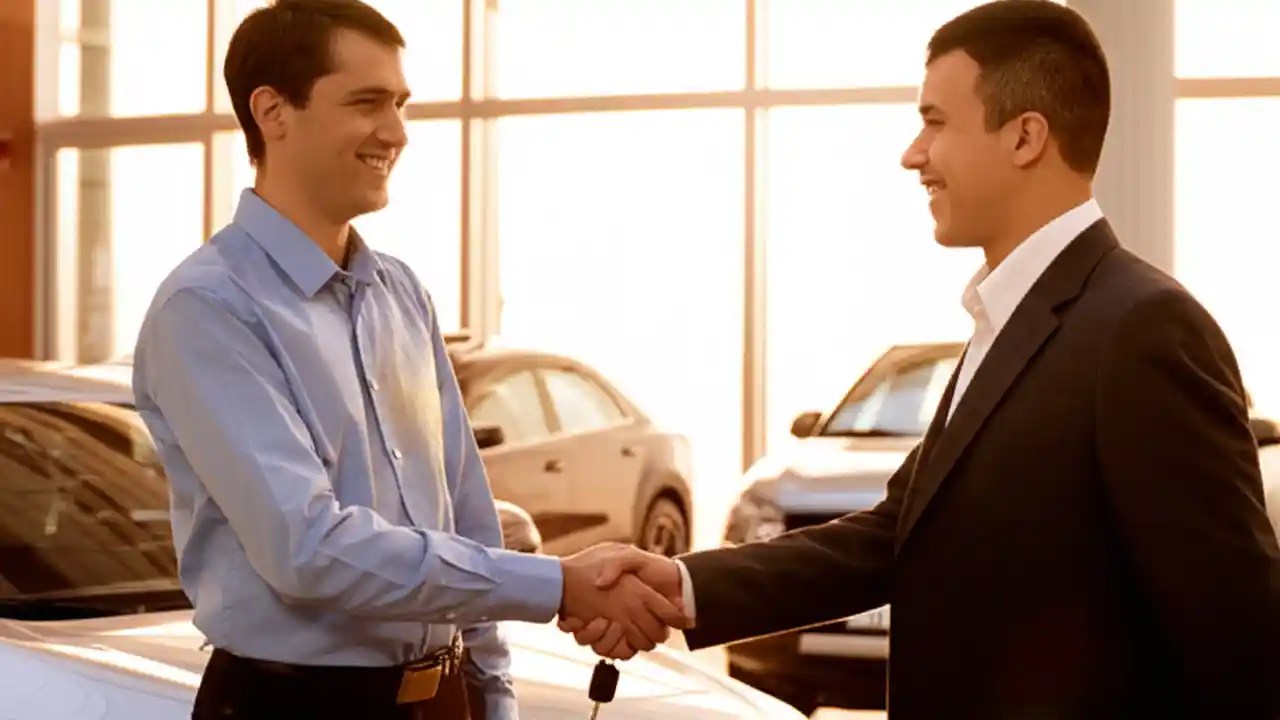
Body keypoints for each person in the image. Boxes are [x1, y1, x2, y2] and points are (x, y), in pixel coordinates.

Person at [560, 1, 1280, 717]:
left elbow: (1235, 636)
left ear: (1026, 136)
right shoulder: (1012, 320)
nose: (914, 153)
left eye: (935, 122)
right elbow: (892, 536)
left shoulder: (1145, 328)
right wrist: (680, 587)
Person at [131, 1, 681, 718]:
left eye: (399, 104)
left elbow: (466, 521)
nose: (395, 132)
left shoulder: (401, 294)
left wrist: (493, 695)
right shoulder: (206, 308)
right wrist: (559, 585)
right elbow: (309, 549)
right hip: (293, 706)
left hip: (440, 697)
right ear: (272, 111)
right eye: (366, 103)